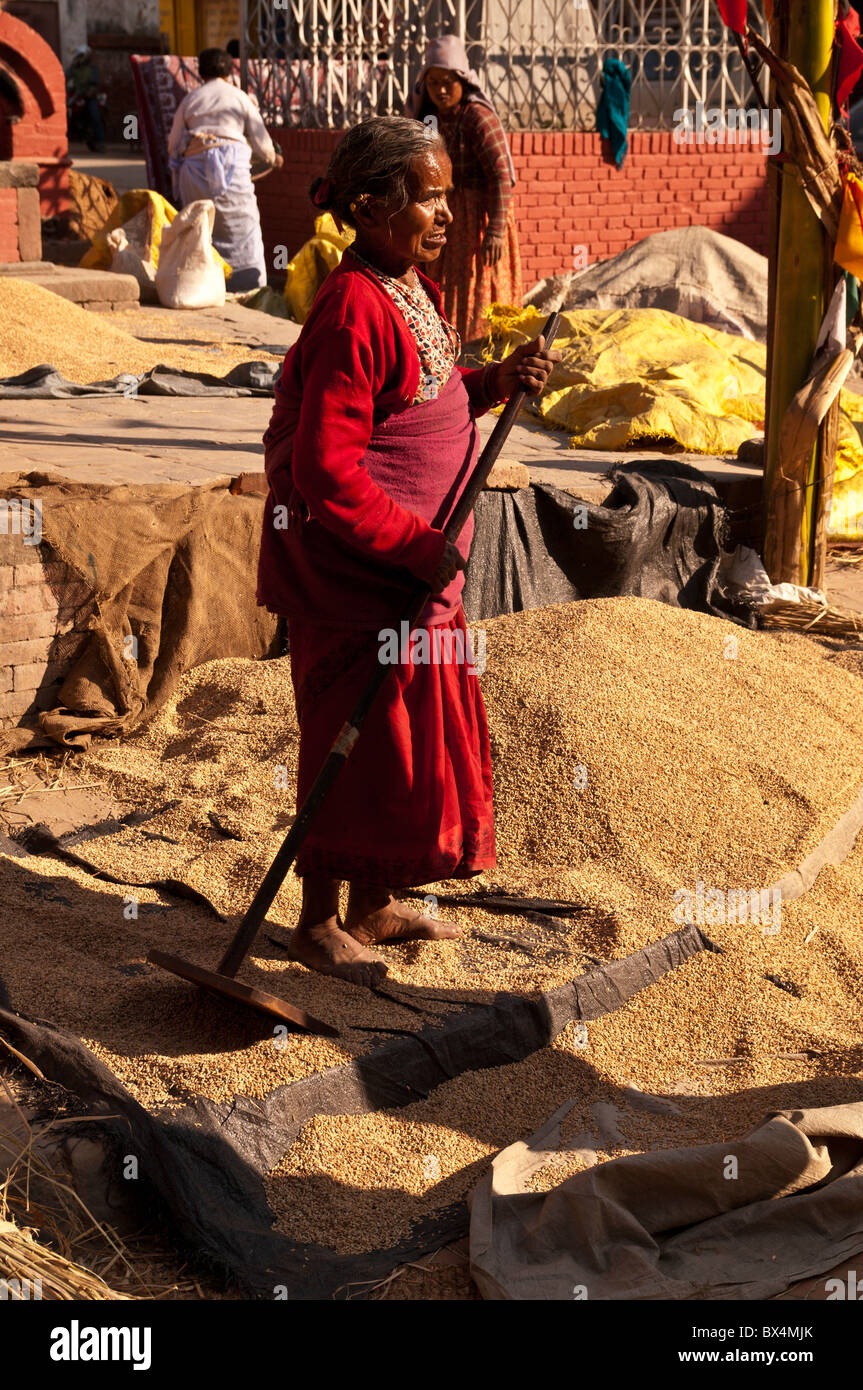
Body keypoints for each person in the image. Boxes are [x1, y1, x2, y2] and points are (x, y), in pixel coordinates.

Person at [256, 116, 558, 986]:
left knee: (398, 747)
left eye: (446, 197)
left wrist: (490, 383)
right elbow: (325, 468)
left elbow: (421, 396)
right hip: (358, 579)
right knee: (351, 748)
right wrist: (409, 545)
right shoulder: (353, 307)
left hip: (410, 579)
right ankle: (315, 923)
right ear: (369, 204)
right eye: (427, 196)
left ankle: (373, 904)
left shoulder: (407, 288)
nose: (445, 215)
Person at [405, 34, 521, 344]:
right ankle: (443, 344)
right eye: (433, 83)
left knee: (476, 283)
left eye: (448, 82)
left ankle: (477, 352)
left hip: (476, 223)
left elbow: (501, 176)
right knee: (441, 282)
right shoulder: (429, 119)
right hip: (443, 215)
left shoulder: (478, 118)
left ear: (463, 81)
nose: (441, 90)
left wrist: (495, 231)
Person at [167, 47, 283, 292]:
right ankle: (249, 290)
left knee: (199, 229)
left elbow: (173, 144)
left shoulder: (191, 99)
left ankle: (200, 289)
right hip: (234, 173)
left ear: (201, 71)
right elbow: (262, 142)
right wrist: (273, 159)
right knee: (244, 229)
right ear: (230, 70)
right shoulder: (239, 97)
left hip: (194, 173)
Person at [66, 46, 105, 153]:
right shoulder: (74, 68)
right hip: (76, 96)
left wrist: (90, 91)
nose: (78, 58)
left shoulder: (93, 69)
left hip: (89, 97)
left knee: (95, 115)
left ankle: (100, 142)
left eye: (80, 56)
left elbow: (95, 83)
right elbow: (65, 78)